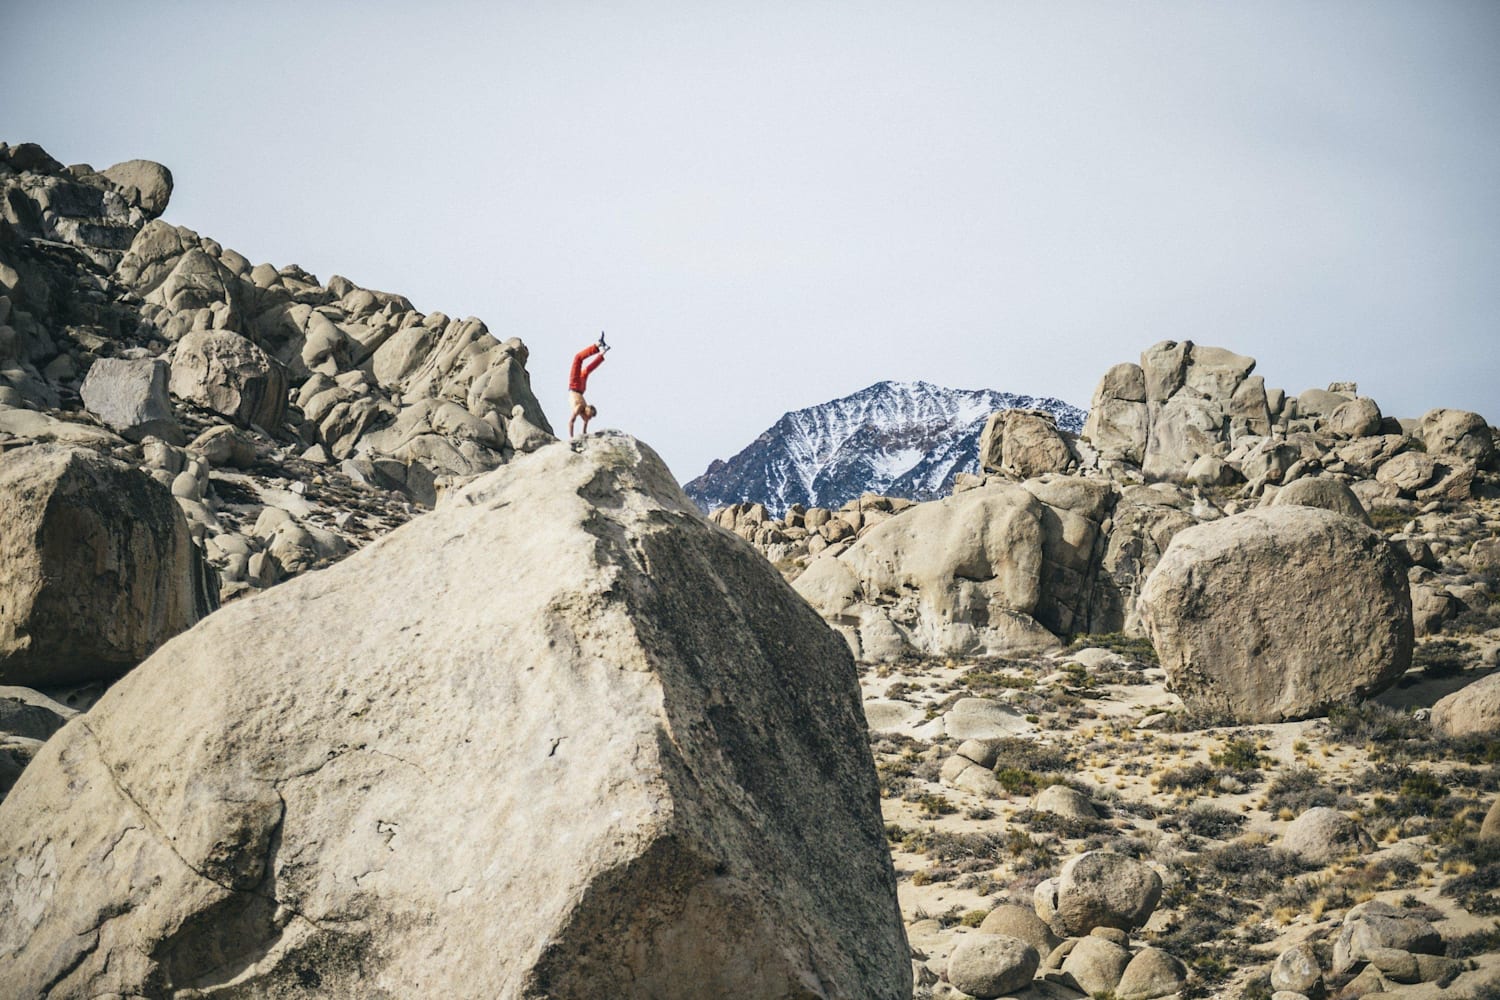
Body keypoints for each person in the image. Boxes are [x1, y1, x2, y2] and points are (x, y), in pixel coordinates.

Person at [568, 332, 609, 437]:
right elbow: (577, 427)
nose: (588, 418)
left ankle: (601, 349)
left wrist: (572, 438)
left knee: (581, 363)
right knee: (579, 360)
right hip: (577, 387)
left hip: (578, 388)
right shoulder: (583, 411)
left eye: (589, 416)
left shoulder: (582, 410)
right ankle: (600, 348)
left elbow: (572, 423)